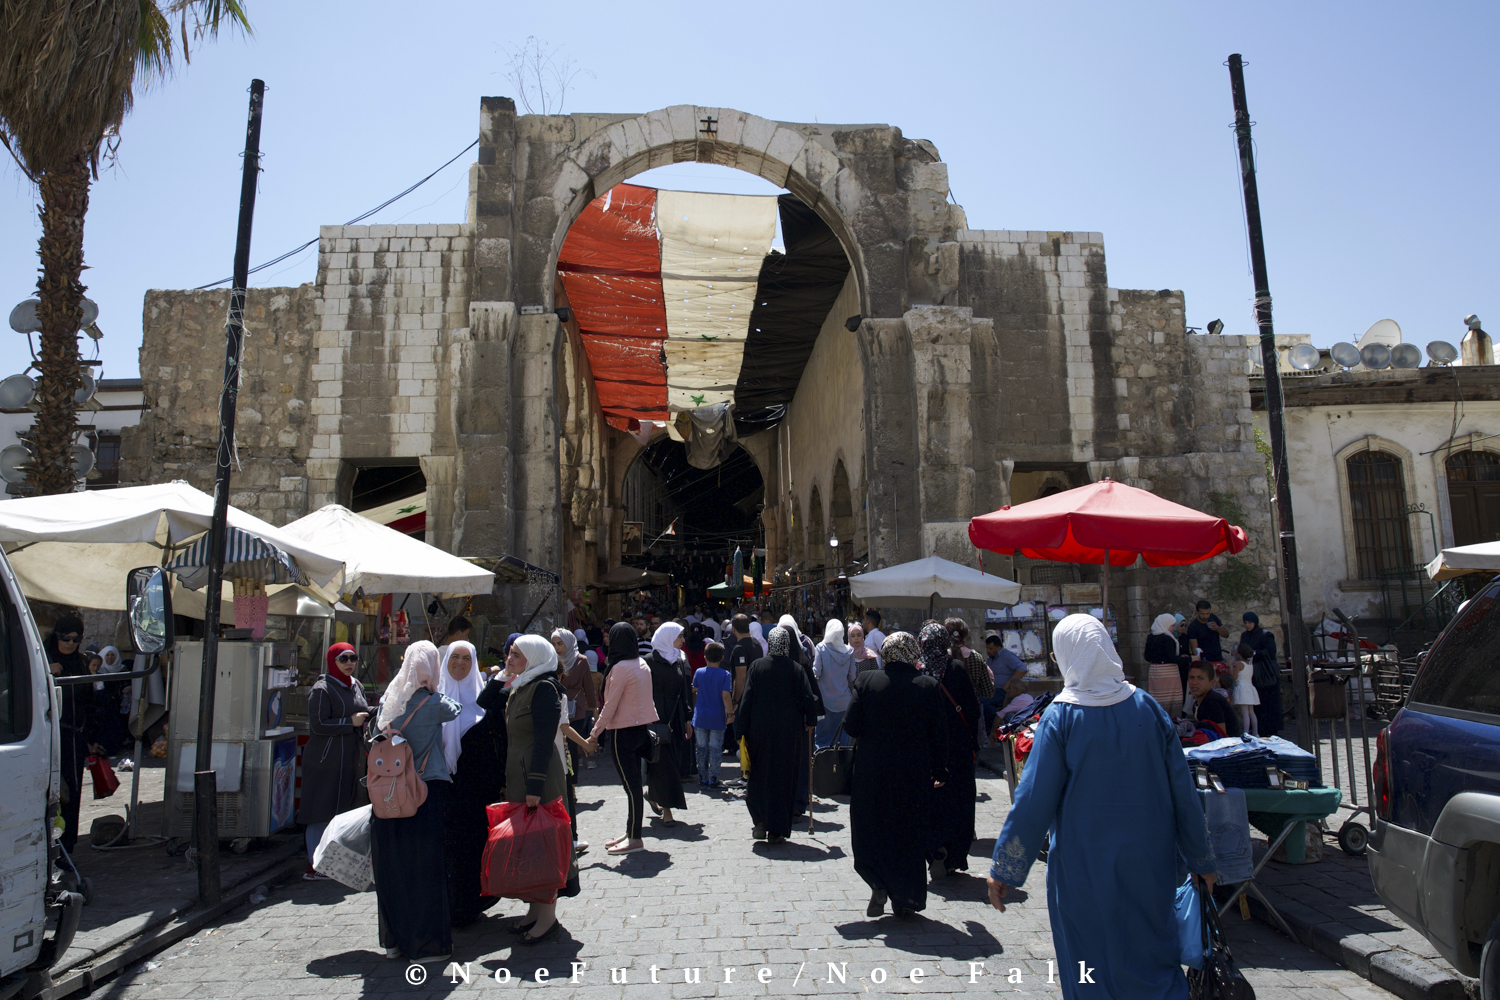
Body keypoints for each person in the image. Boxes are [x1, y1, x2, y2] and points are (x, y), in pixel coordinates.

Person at [987, 614, 1218, 1000]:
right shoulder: (1148, 709)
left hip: (1083, 868)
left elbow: (1033, 801)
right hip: (1149, 862)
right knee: (1152, 957)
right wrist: (1202, 861)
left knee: (1088, 962)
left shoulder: (1060, 718)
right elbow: (1184, 793)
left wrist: (1005, 868)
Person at [844, 631, 947, 919]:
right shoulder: (928, 685)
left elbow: (851, 726)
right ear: (913, 653)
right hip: (912, 771)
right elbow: (939, 734)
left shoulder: (866, 681)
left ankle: (877, 881)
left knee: (871, 826)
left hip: (872, 770)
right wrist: (940, 769)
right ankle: (906, 897)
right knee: (908, 831)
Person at [370, 641, 462, 962]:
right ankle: (426, 945)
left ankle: (395, 941)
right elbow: (456, 709)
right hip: (425, 791)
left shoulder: (389, 702)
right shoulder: (433, 702)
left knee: (394, 867)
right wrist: (435, 686)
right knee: (425, 868)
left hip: (389, 794)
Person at [496, 635, 575, 945]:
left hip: (538, 780)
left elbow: (544, 740)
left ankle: (547, 918)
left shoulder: (544, 689)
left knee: (543, 846)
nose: (510, 658)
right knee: (528, 846)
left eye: (516, 654)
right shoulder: (522, 686)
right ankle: (533, 911)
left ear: (533, 657)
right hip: (521, 777)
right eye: (510, 653)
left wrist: (534, 784)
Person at [437, 639, 509, 926]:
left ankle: (474, 903)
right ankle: (452, 905)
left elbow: (499, 741)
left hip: (479, 788)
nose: (460, 663)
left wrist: (502, 780)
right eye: (455, 657)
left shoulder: (484, 699)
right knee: (450, 847)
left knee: (477, 845)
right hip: (445, 787)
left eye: (467, 658)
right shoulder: (434, 697)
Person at [736, 626, 819, 844]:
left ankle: (760, 821)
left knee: (760, 774)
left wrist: (740, 729)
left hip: (760, 732)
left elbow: (747, 699)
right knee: (783, 777)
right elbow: (808, 699)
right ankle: (777, 828)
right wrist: (810, 722)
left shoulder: (757, 667)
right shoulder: (795, 669)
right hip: (788, 734)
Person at [583, 623, 659, 855]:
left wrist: (594, 734)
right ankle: (632, 831)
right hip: (640, 730)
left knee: (632, 787)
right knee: (634, 786)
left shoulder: (619, 669)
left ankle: (635, 837)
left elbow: (610, 707)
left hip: (622, 733)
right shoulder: (642, 664)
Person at [298, 643, 370, 880]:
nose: (349, 663)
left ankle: (335, 863)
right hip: (325, 759)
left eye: (353, 658)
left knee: (343, 808)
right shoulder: (322, 689)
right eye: (343, 659)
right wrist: (350, 723)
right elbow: (318, 724)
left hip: (350, 758)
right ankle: (314, 864)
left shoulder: (355, 685)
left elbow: (362, 711)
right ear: (332, 661)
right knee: (320, 809)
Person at [920, 622, 981, 879]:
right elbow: (973, 708)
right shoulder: (955, 668)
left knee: (931, 801)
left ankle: (934, 847)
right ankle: (954, 854)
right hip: (957, 748)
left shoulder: (919, 673)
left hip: (929, 751)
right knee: (959, 800)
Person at [47, 615, 101, 856]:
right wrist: (46, 674)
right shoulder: (42, 659)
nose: (69, 643)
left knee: (73, 795)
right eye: (64, 638)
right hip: (50, 738)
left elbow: (89, 703)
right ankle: (48, 849)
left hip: (75, 740)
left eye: (75, 639)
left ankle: (66, 851)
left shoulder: (81, 662)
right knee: (51, 796)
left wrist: (91, 738)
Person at [644, 622, 691, 825]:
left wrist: (688, 718)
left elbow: (684, 693)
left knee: (672, 762)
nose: (683, 641)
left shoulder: (679, 660)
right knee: (662, 763)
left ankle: (654, 795)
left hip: (676, 718)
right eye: (679, 637)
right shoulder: (648, 661)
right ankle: (667, 810)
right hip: (656, 718)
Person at [553, 628, 598, 835]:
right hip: (557, 709)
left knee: (573, 748)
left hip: (576, 710)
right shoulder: (552, 661)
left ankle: (571, 785)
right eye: (554, 643)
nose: (557, 647)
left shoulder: (580, 661)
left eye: (560, 643)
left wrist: (594, 708)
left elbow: (589, 686)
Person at [691, 641, 733, 788]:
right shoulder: (725, 674)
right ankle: (713, 777)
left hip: (701, 716)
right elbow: (726, 695)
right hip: (717, 716)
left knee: (701, 747)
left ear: (705, 657)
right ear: (722, 658)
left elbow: (694, 690)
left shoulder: (699, 672)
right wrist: (730, 713)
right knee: (715, 748)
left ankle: (702, 776)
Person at [812, 619, 858, 749]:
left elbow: (817, 672)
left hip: (825, 700)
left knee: (821, 739)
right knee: (842, 739)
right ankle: (840, 766)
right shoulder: (849, 651)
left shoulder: (821, 648)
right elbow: (852, 676)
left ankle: (822, 766)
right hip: (844, 700)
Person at [1241, 611, 1282, 736]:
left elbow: (1270, 652)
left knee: (1268, 702)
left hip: (1265, 673)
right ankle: (1258, 728)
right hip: (1252, 673)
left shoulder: (1266, 635)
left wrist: (1253, 653)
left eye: (1250, 623)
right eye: (1246, 623)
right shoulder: (1245, 636)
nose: (1248, 625)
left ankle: (1270, 729)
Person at [1143, 612, 1189, 716]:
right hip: (1169, 672)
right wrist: (1187, 659)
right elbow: (1171, 658)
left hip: (1155, 671)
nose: (1173, 628)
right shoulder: (1167, 638)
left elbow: (1147, 656)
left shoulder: (1151, 637)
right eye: (1172, 626)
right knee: (1171, 696)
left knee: (1157, 696)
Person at [1183, 661, 1242, 737]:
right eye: (1191, 677)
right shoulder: (1197, 702)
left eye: (1200, 678)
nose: (1194, 682)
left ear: (1212, 683)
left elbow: (1221, 735)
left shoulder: (1213, 701)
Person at [943, 618, 995, 701]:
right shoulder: (977, 657)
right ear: (965, 635)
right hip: (971, 708)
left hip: (946, 709)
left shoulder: (941, 658)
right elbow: (988, 693)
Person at [1185, 600, 1231, 690]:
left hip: (1218, 659)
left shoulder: (1213, 618)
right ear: (1197, 611)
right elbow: (1195, 648)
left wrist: (1217, 628)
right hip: (1205, 663)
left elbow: (1226, 634)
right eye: (1203, 614)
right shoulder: (1193, 627)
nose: (1206, 616)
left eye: (1208, 613)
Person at [1229, 641, 1261, 736]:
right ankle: (1256, 732)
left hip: (1242, 689)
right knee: (1251, 712)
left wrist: (1231, 666)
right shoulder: (1250, 663)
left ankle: (1246, 733)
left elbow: (1234, 677)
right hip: (1250, 688)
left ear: (1239, 654)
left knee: (1245, 713)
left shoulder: (1239, 664)